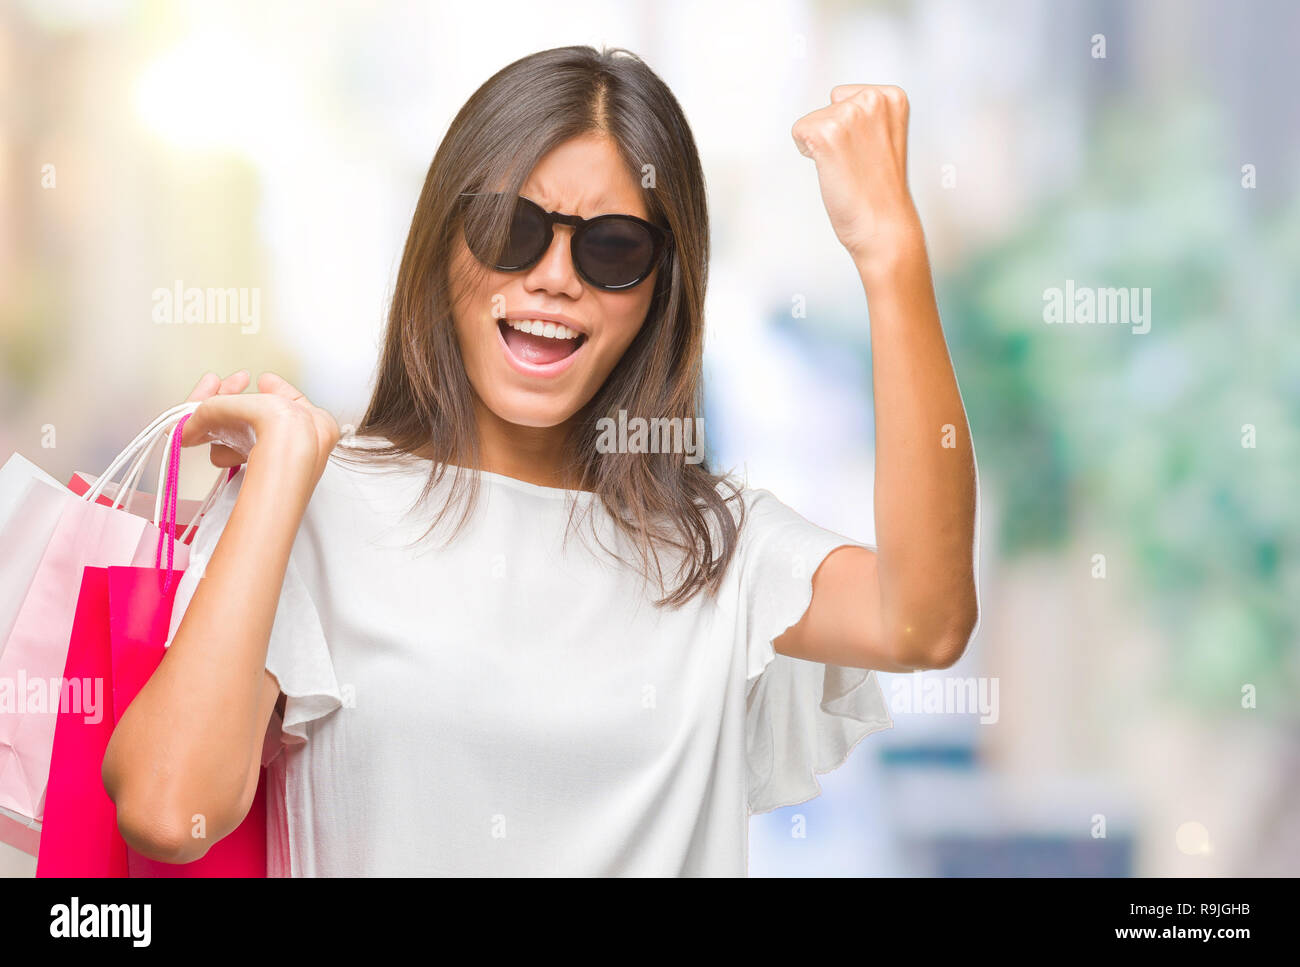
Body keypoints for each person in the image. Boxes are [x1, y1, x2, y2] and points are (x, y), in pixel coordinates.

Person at [102, 45, 978, 877]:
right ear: (443, 243)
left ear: (660, 291)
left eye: (612, 248)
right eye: (509, 229)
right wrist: (279, 482)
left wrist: (891, 256)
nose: (556, 276)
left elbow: (924, 623)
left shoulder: (721, 550)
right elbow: (169, 807)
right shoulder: (307, 508)